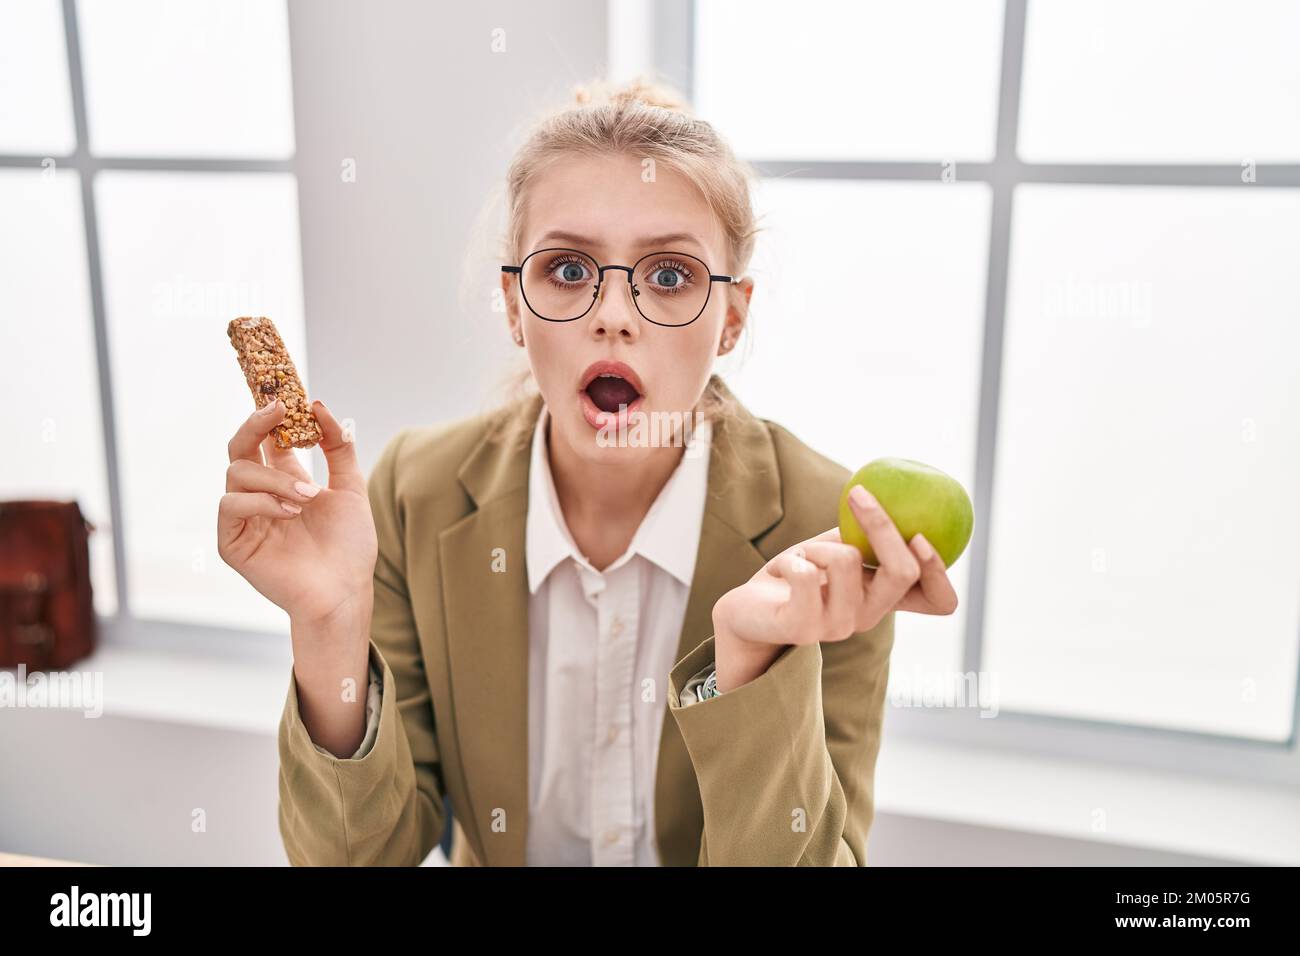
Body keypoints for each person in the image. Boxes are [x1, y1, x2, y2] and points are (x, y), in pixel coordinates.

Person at [217, 76, 958, 867]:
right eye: (568, 270)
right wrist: (330, 628)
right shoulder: (412, 494)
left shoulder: (827, 532)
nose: (614, 313)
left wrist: (750, 664)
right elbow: (362, 858)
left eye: (669, 276)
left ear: (732, 316)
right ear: (514, 305)